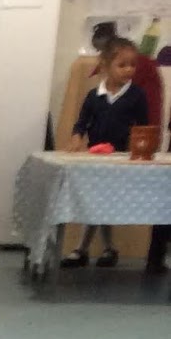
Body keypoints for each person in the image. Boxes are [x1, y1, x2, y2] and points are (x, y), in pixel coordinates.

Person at [63, 36, 149, 269]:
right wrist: (76, 137)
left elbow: (143, 127)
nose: (128, 70)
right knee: (95, 203)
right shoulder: (94, 96)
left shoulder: (137, 95)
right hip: (96, 156)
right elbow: (82, 123)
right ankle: (100, 249)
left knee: (103, 204)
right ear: (105, 65)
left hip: (121, 159)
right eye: (122, 65)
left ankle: (87, 249)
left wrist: (138, 150)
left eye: (132, 65)